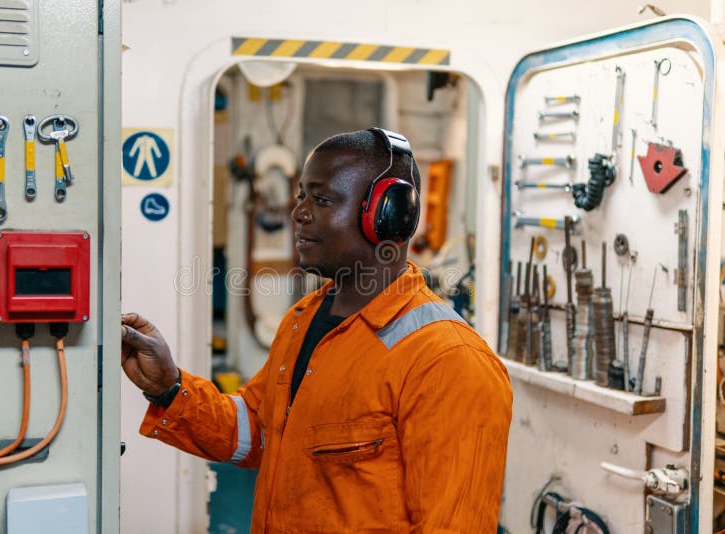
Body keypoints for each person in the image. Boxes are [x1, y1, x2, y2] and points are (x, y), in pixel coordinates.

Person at [121, 128, 513, 533]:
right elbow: (255, 427)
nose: (300, 213)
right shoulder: (303, 319)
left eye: (321, 199)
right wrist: (169, 387)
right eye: (301, 196)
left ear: (386, 217)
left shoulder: (447, 362)